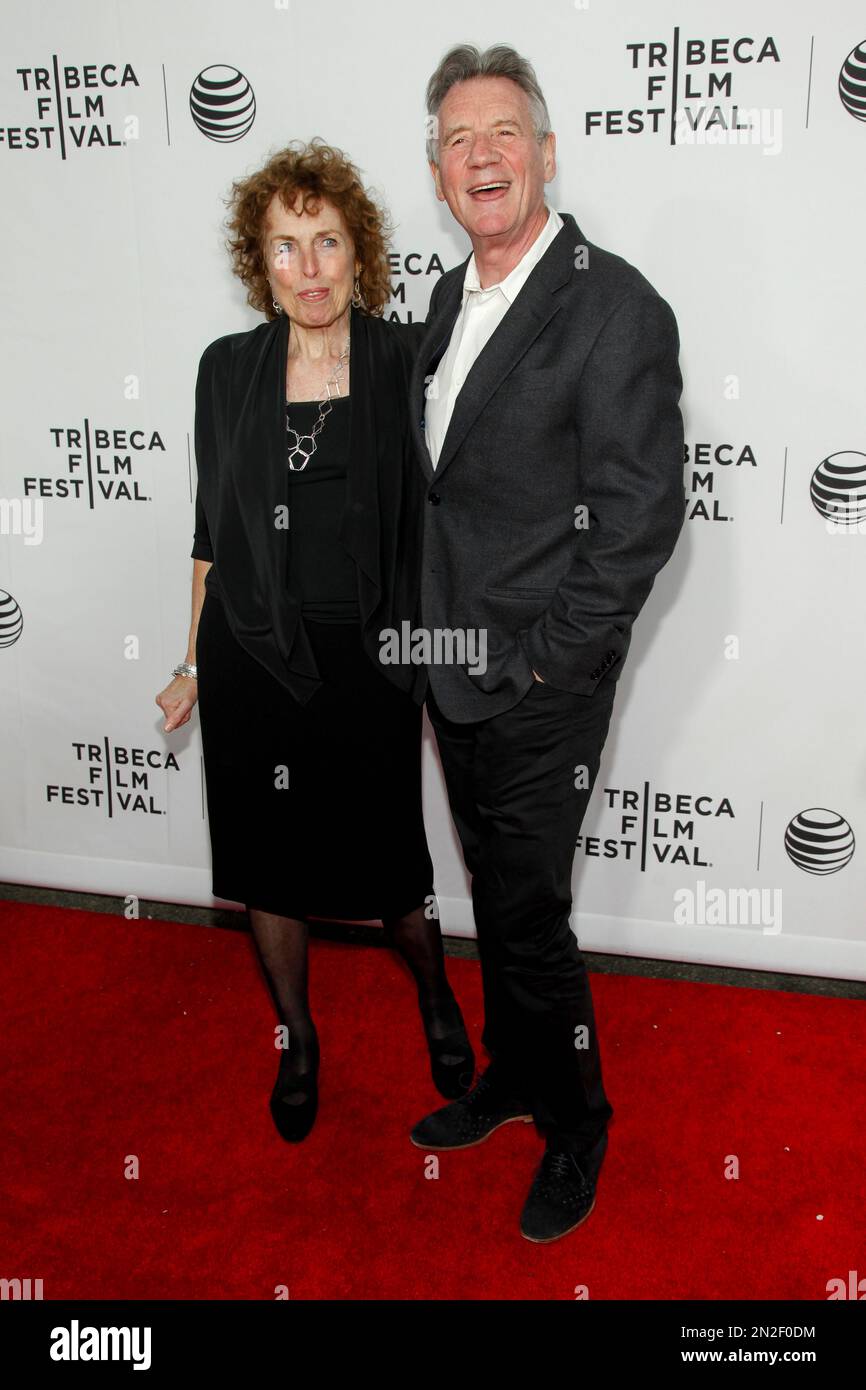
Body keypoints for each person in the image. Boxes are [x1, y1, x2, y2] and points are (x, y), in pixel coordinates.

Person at [407, 46, 686, 1242]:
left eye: (503, 133)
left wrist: (540, 661)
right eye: (459, 138)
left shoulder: (611, 304)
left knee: (527, 916)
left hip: (535, 683)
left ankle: (577, 1120)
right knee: (496, 894)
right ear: (435, 168)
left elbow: (638, 516)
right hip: (446, 662)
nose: (482, 155)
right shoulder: (444, 297)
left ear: (545, 152)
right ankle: (517, 1078)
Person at [154, 140, 474, 1144]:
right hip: (252, 655)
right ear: (261, 260)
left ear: (356, 250)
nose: (308, 267)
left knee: (392, 872)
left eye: (325, 241)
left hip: (370, 661)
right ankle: (295, 1033)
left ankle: (433, 990)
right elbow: (211, 535)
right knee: (270, 866)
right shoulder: (226, 371)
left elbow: (447, 509)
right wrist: (190, 661)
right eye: (285, 247)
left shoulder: (400, 358)